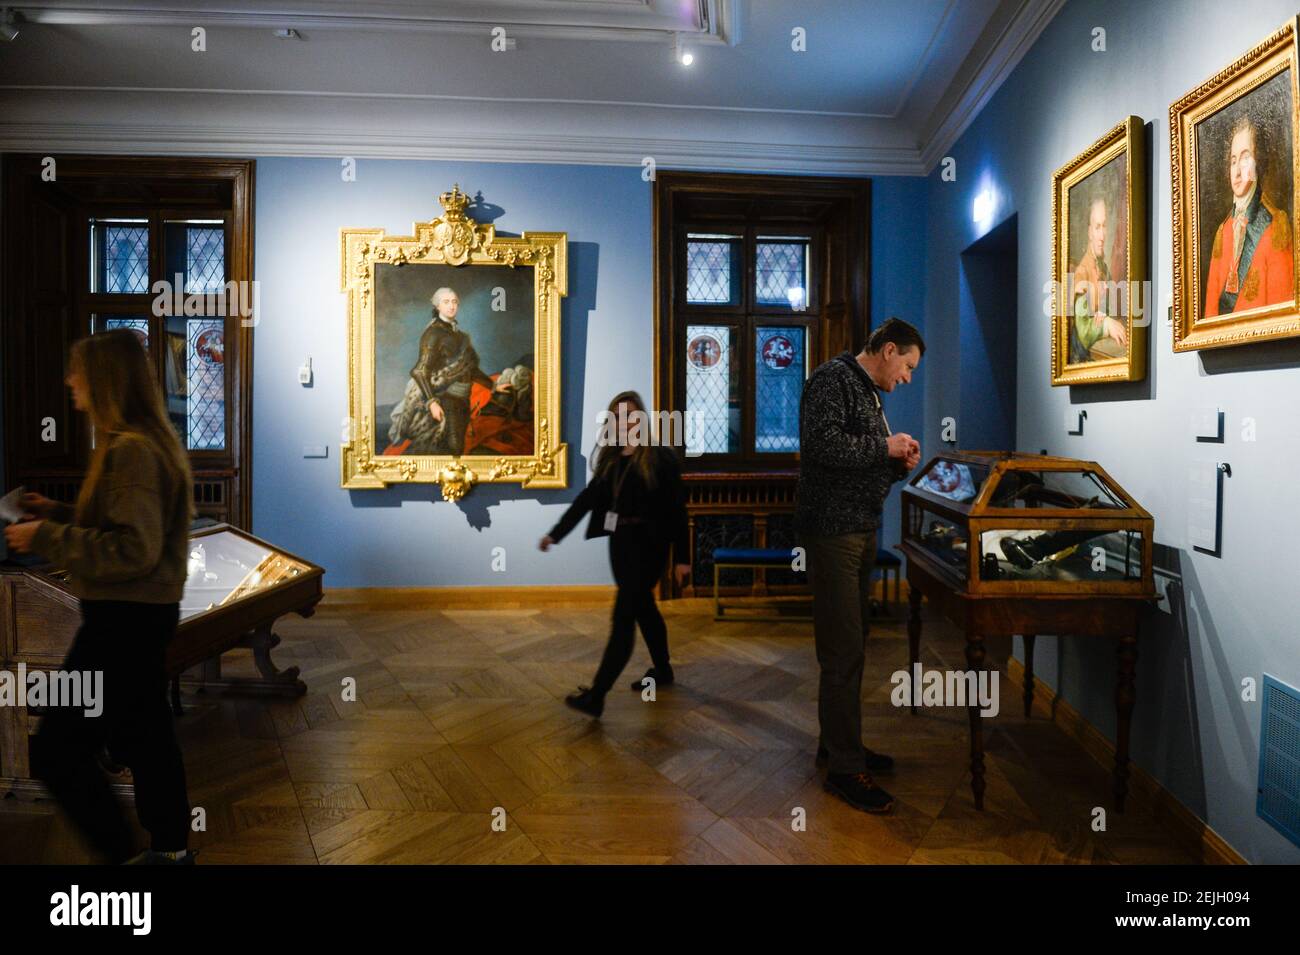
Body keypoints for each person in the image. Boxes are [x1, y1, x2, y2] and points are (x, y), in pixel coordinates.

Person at [3, 329, 196, 864]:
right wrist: (59, 514)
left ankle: (123, 861)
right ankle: (171, 851)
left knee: (56, 749)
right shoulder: (136, 442)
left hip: (122, 619)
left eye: (77, 372)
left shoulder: (131, 449)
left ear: (104, 380)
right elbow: (124, 525)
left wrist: (43, 537)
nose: (69, 382)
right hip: (140, 615)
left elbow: (134, 548)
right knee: (146, 735)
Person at [795, 318, 923, 814]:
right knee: (842, 649)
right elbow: (822, 448)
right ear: (888, 350)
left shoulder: (868, 391)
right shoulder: (832, 379)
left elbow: (859, 462)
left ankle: (839, 744)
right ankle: (846, 770)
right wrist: (883, 448)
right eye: (908, 366)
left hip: (858, 529)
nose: (908, 377)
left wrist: (896, 460)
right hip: (832, 533)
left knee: (853, 642)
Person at [539, 391, 690, 717]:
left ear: (643, 419)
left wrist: (682, 557)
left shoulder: (660, 458)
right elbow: (586, 502)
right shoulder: (610, 460)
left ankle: (597, 694)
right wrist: (556, 534)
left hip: (650, 546)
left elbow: (677, 511)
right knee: (644, 608)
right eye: (620, 417)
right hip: (620, 545)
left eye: (632, 415)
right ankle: (662, 671)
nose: (626, 422)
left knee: (624, 616)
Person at [1203, 115, 1293, 317]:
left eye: (1245, 158)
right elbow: (1210, 314)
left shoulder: (1275, 228)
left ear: (1258, 163)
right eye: (1233, 161)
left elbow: (1283, 314)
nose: (1236, 171)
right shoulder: (1223, 231)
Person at [388, 287, 496, 455]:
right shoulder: (433, 334)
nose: (451, 306)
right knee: (451, 447)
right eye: (446, 302)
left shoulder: (462, 337)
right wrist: (431, 403)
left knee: (458, 445)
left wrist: (493, 386)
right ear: (438, 306)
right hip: (444, 398)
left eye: (454, 302)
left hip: (462, 399)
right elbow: (419, 371)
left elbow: (471, 369)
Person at [1070, 197, 1128, 363]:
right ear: (1089, 232)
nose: (1102, 235)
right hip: (1083, 358)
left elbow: (1109, 310)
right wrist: (1106, 325)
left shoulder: (1103, 268)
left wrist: (1109, 318)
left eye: (1104, 226)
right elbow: (1083, 331)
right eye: (1097, 227)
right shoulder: (1082, 273)